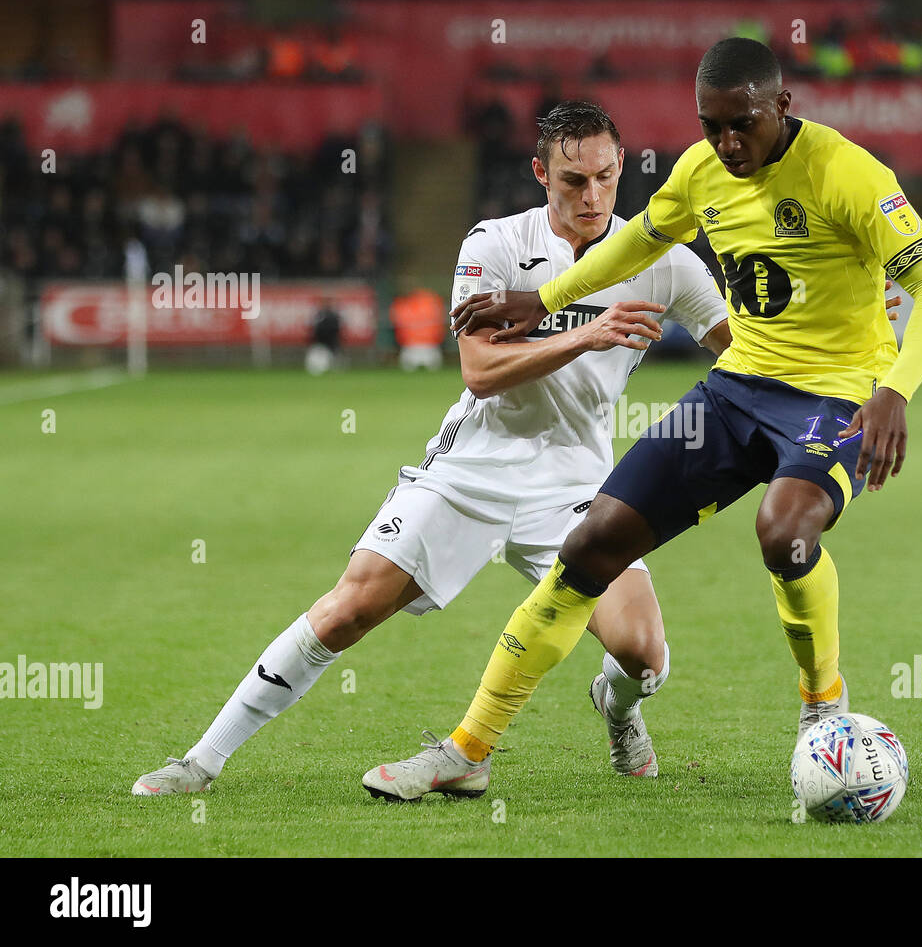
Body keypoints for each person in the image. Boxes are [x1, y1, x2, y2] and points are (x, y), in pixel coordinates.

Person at [383, 37, 922, 797]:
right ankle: (468, 750)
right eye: (710, 125)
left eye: (742, 124)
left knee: (784, 532)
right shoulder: (700, 170)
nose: (726, 143)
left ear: (782, 107)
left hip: (836, 397)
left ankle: (822, 702)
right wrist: (542, 299)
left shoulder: (846, 172)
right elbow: (633, 246)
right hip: (737, 389)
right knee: (590, 545)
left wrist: (895, 389)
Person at [131, 101, 734, 797]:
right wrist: (583, 333)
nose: (592, 196)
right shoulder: (495, 244)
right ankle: (200, 761)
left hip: (576, 485)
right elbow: (479, 370)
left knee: (642, 652)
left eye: (604, 176)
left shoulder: (662, 261)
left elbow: (745, 358)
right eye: (573, 180)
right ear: (540, 172)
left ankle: (616, 705)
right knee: (350, 606)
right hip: (471, 468)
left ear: (621, 166)